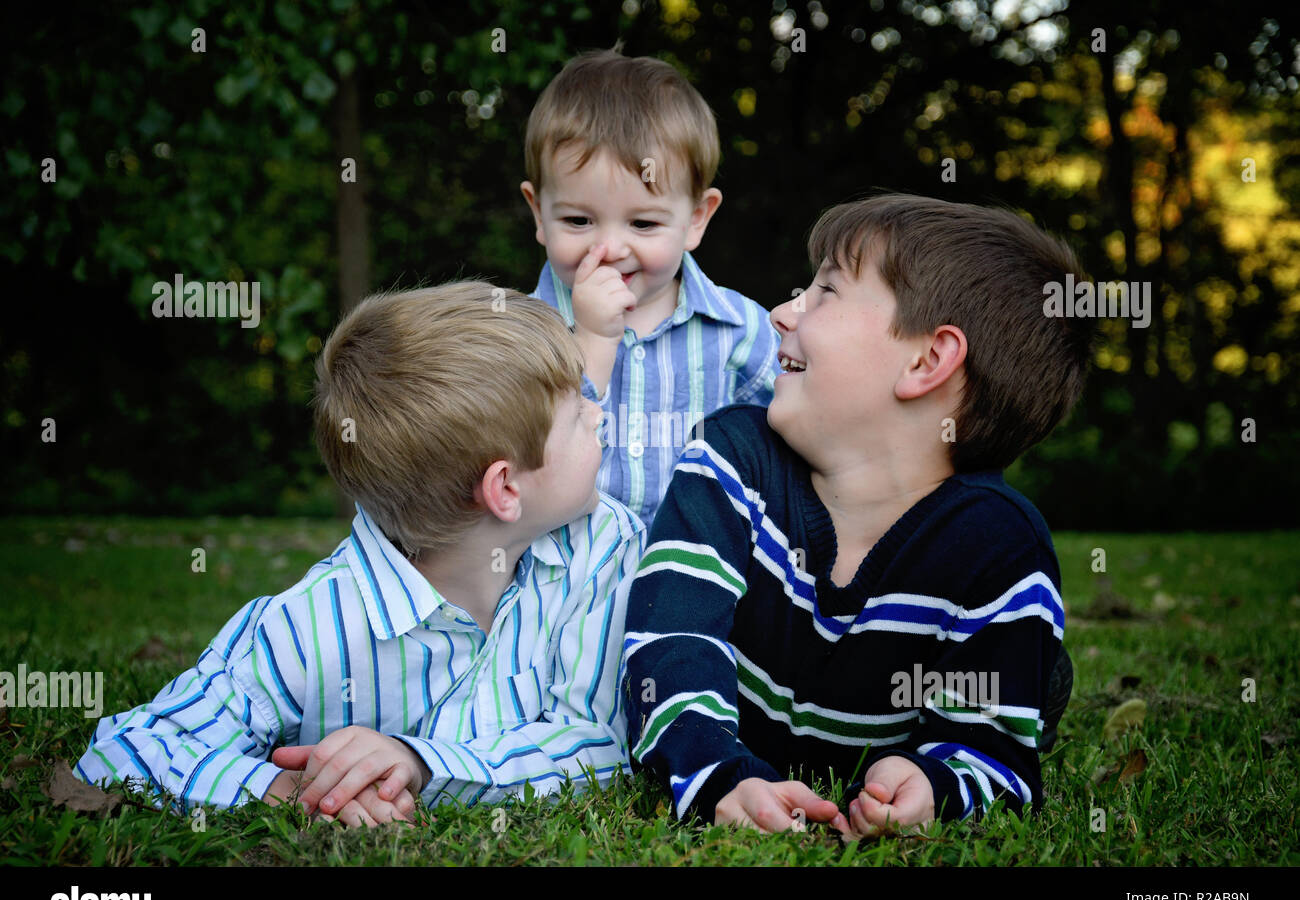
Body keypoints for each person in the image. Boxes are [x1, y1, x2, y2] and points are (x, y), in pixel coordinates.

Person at [77, 282, 645, 826]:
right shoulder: (309, 628)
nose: (598, 413)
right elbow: (126, 749)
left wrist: (421, 763)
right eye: (576, 414)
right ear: (504, 489)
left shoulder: (601, 546)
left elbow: (597, 740)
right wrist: (288, 791)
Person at [623, 194, 1088, 836]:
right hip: (746, 738)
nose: (782, 314)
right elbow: (672, 641)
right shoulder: (731, 461)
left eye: (825, 293)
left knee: (1016, 684)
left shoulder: (999, 549)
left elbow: (997, 765)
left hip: (944, 677)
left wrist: (933, 786)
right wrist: (719, 776)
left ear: (927, 360)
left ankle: (1035, 679)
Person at [521, 48, 782, 529]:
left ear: (696, 219)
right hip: (564, 589)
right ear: (539, 214)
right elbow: (520, 459)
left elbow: (808, 432)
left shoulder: (742, 331)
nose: (610, 247)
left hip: (702, 582)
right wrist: (593, 338)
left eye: (642, 223)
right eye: (578, 220)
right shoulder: (518, 332)